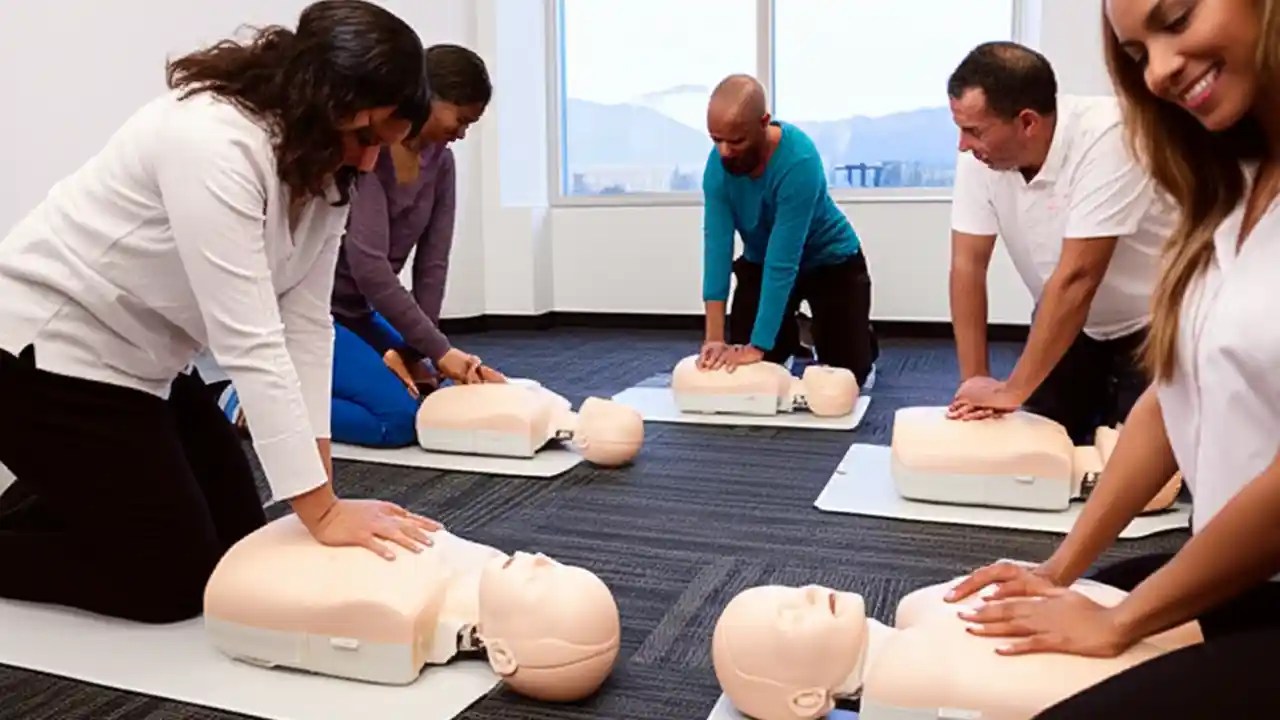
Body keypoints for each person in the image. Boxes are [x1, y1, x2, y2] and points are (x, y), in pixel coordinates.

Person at [0, 0, 441, 625]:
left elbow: (307, 327)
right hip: (42, 358)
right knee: (176, 582)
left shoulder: (327, 165)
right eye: (367, 136)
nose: (371, 160)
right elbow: (252, 344)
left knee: (237, 541)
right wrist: (321, 513)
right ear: (323, 99)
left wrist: (322, 496)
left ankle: (77, 484)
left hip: (145, 364)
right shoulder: (210, 139)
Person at [945, 1, 1280, 716]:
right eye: (1135, 54)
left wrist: (1120, 622)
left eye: (1179, 18)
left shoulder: (1112, 144)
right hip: (1242, 566)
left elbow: (1078, 279)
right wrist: (1061, 569)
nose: (1158, 70)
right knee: (1000, 640)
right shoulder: (1228, 190)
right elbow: (1172, 397)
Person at [944, 41, 1178, 443]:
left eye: (973, 131)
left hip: (1155, 323)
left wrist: (1011, 390)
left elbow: (1079, 277)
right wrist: (977, 385)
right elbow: (968, 266)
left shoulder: (1112, 134)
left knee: (1150, 466)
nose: (963, 145)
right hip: (1068, 321)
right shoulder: (980, 158)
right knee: (1039, 443)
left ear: (1028, 122)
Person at [328, 43, 501, 447]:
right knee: (398, 421)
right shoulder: (369, 153)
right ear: (429, 97)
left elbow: (432, 266)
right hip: (314, 316)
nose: (461, 134)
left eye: (470, 126)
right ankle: (245, 401)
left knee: (430, 385)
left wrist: (418, 352)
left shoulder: (443, 164)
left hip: (357, 313)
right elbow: (370, 268)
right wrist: (439, 349)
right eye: (460, 119)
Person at [698, 74, 878, 387]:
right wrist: (714, 339)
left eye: (736, 141)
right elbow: (717, 249)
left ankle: (859, 337)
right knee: (747, 369)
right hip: (760, 261)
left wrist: (758, 346)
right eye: (716, 140)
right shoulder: (718, 168)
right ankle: (793, 332)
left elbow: (784, 261)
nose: (725, 151)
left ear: (764, 122)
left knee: (846, 375)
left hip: (830, 262)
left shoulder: (799, 161)